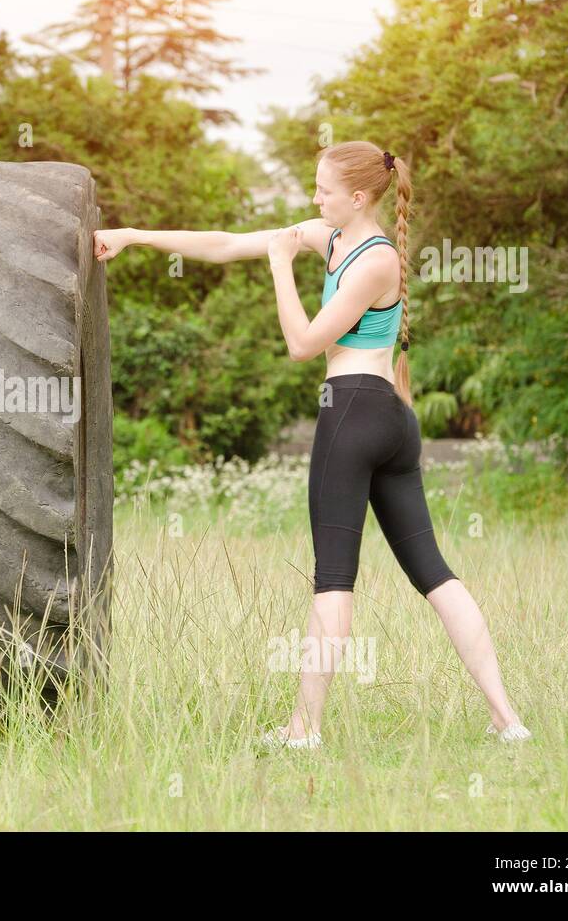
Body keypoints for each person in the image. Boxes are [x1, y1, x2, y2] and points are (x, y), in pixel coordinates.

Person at [92, 140, 530, 748]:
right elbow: (226, 244)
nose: (313, 197)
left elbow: (302, 344)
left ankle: (304, 729)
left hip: (352, 413)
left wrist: (279, 265)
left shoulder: (376, 260)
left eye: (323, 189)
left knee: (334, 580)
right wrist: (135, 235)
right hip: (389, 417)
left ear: (357, 197)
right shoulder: (333, 236)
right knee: (434, 574)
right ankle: (507, 721)